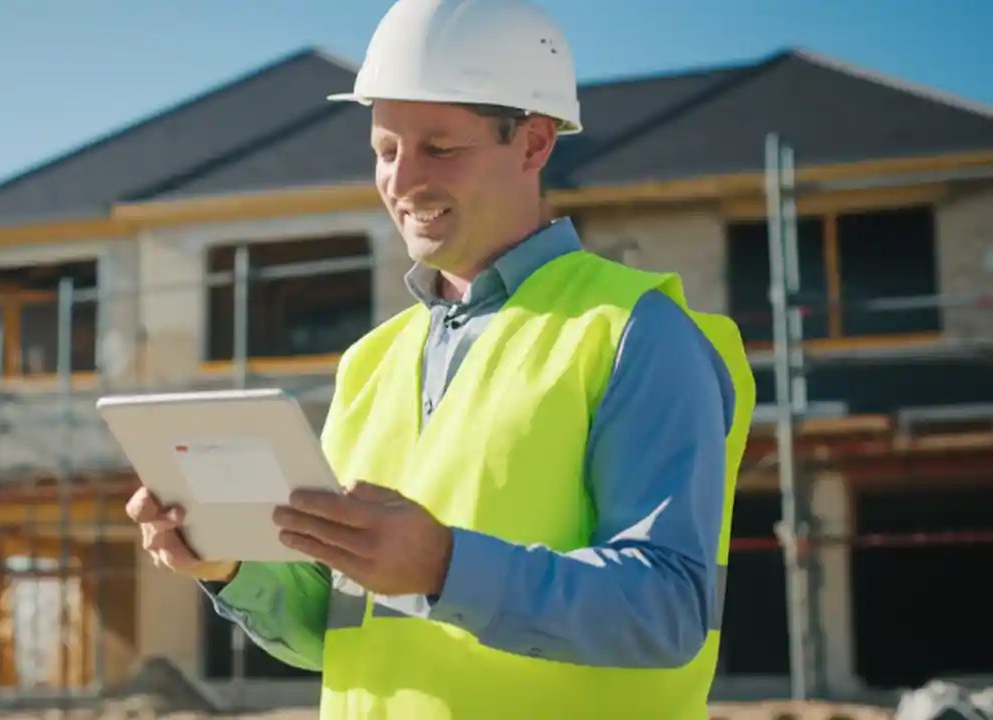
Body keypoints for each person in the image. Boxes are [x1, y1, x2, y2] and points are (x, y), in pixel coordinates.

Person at [126, 0, 756, 717]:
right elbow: (341, 634)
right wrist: (230, 566)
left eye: (440, 148)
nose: (402, 181)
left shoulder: (635, 332)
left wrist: (445, 567)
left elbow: (668, 608)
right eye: (386, 150)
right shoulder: (372, 363)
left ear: (535, 142)